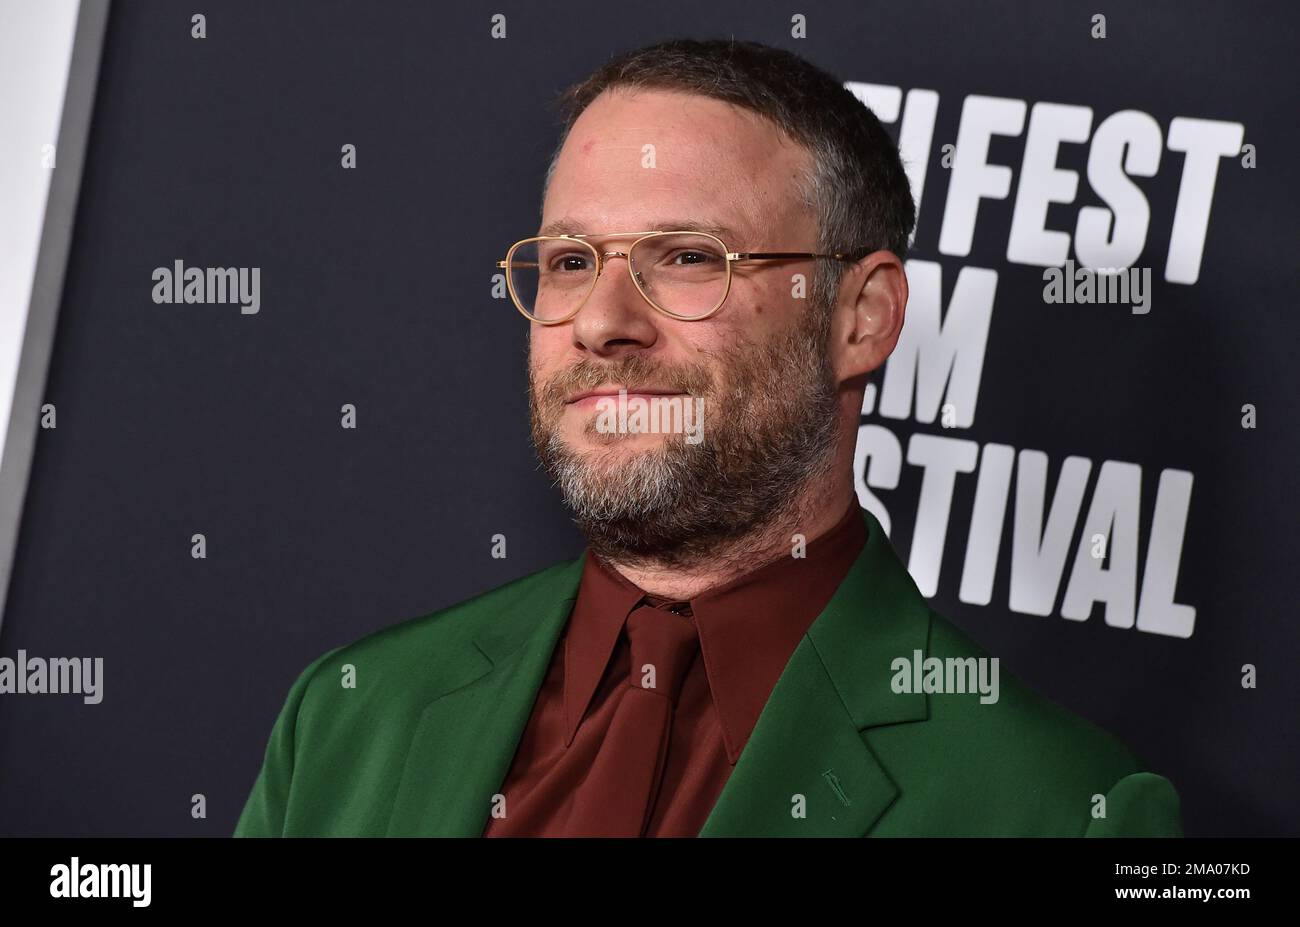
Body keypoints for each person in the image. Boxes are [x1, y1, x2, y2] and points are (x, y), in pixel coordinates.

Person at [234, 38, 1181, 838]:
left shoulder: (1059, 809)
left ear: (862, 316)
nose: (603, 321)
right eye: (570, 261)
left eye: (687, 258)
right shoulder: (349, 714)